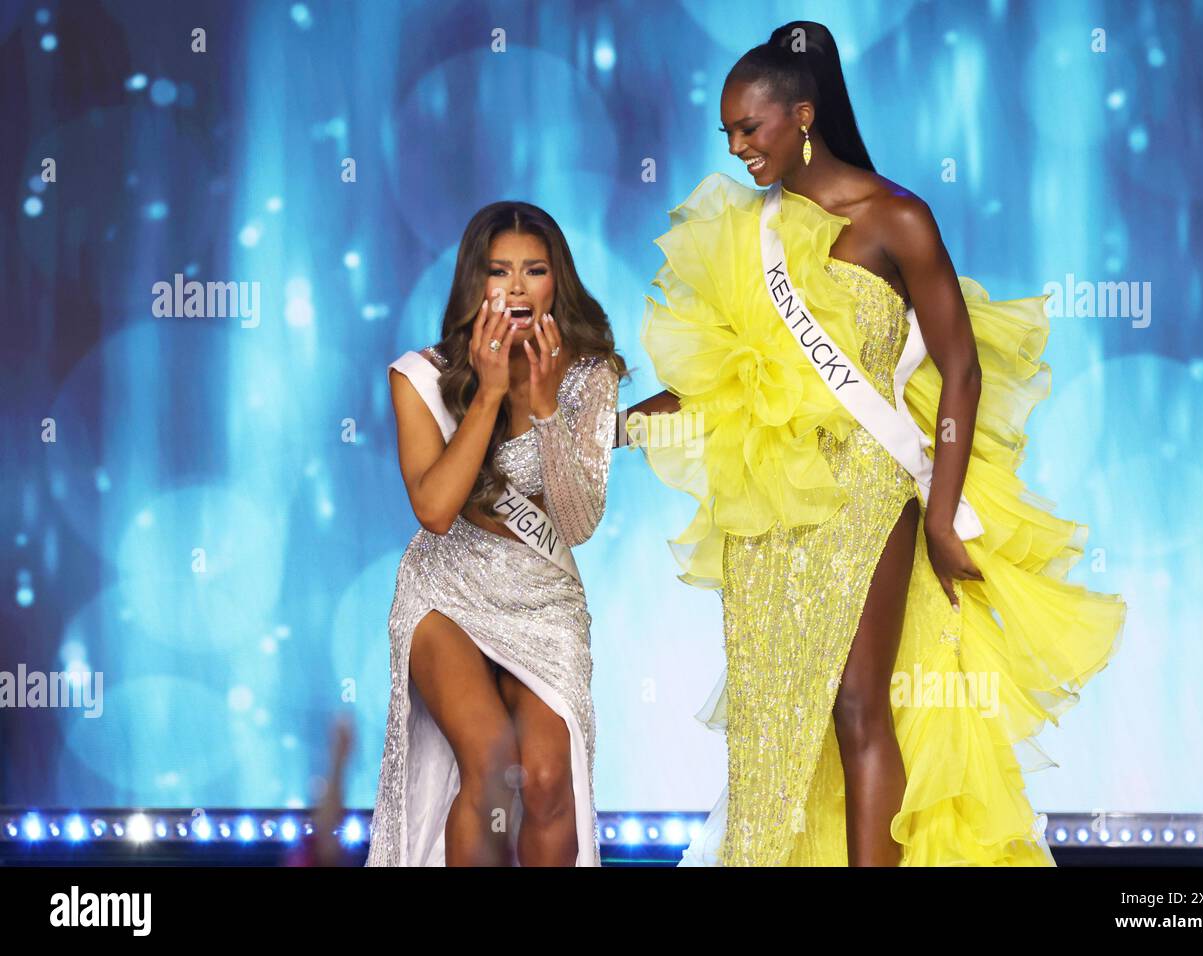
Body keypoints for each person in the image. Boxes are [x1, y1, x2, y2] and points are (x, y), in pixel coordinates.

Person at [623, 21, 1125, 866]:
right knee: (779, 713)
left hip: (869, 486)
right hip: (770, 499)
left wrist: (942, 518)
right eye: (729, 134)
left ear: (803, 115)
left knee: (858, 703)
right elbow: (722, 379)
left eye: (751, 127)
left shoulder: (898, 217)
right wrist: (615, 423)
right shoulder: (749, 232)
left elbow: (960, 371)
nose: (738, 147)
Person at [366, 201, 626, 866]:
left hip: (543, 601)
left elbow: (577, 524)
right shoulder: (419, 376)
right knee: (493, 762)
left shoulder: (592, 376)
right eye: (498, 271)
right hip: (445, 595)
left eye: (533, 271)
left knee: (543, 782)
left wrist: (543, 412)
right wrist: (487, 394)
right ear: (473, 282)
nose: (514, 288)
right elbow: (435, 509)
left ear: (555, 281)